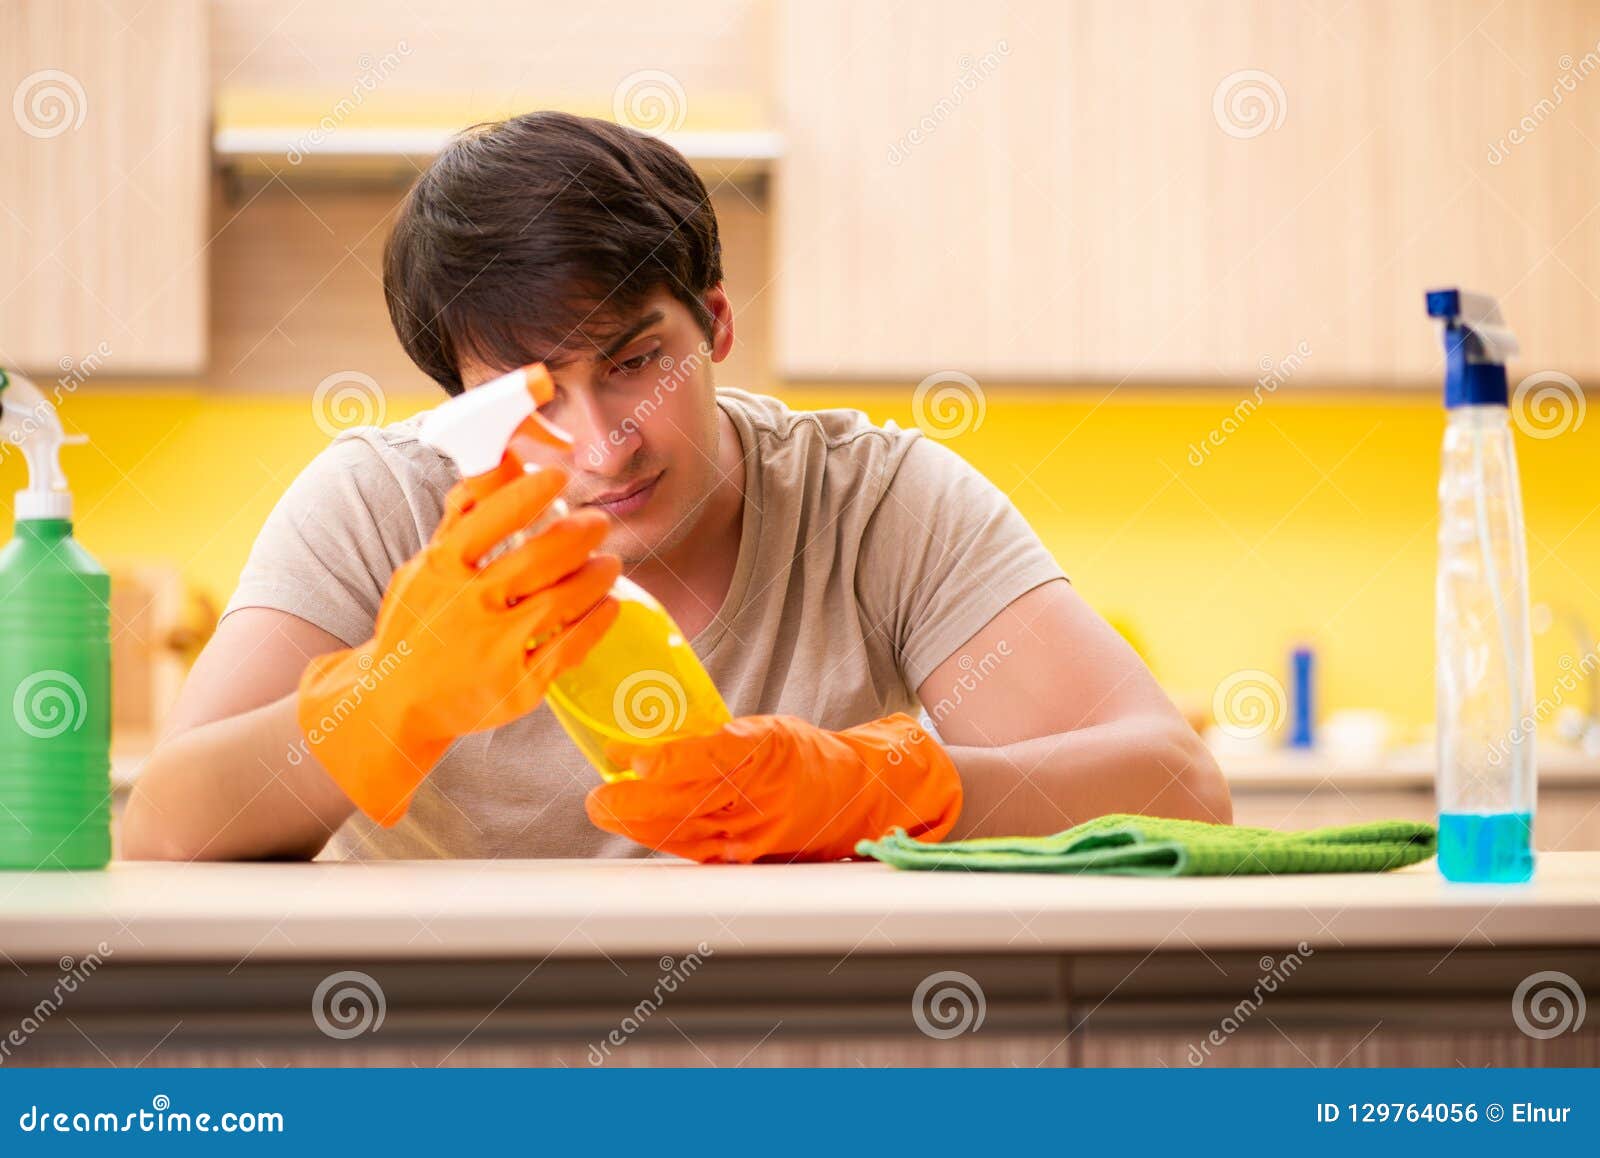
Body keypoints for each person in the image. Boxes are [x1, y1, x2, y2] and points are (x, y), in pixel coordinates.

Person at [121, 111, 1228, 863]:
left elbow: (1180, 788)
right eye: (529, 397)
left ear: (716, 323)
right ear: (457, 402)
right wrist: (388, 696)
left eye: (636, 362)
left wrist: (877, 787)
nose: (603, 448)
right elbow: (163, 831)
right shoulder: (377, 506)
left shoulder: (878, 502)